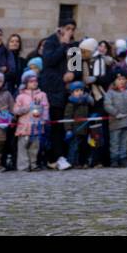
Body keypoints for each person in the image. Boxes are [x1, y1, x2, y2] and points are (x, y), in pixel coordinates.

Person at [38, 21, 75, 170]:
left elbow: (76, 68)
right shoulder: (51, 42)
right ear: (60, 29)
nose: (70, 32)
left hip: (66, 90)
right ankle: (53, 157)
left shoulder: (74, 46)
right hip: (52, 88)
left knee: (62, 125)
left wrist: (72, 73)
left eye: (72, 29)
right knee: (54, 125)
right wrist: (63, 45)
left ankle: (60, 155)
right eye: (67, 28)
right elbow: (49, 61)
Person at [12, 70, 49, 171]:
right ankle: (23, 166)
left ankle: (33, 164)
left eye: (35, 81)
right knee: (23, 147)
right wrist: (26, 108)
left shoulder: (42, 95)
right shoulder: (20, 96)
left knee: (34, 148)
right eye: (31, 81)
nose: (34, 83)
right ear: (25, 83)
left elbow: (45, 108)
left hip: (37, 126)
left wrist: (44, 119)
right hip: (24, 127)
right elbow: (15, 110)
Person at [103, 74, 127, 167]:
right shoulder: (110, 93)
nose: (121, 81)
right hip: (115, 122)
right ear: (114, 81)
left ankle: (123, 158)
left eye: (123, 79)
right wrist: (116, 113)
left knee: (124, 141)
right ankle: (114, 159)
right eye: (119, 79)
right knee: (115, 142)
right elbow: (107, 105)